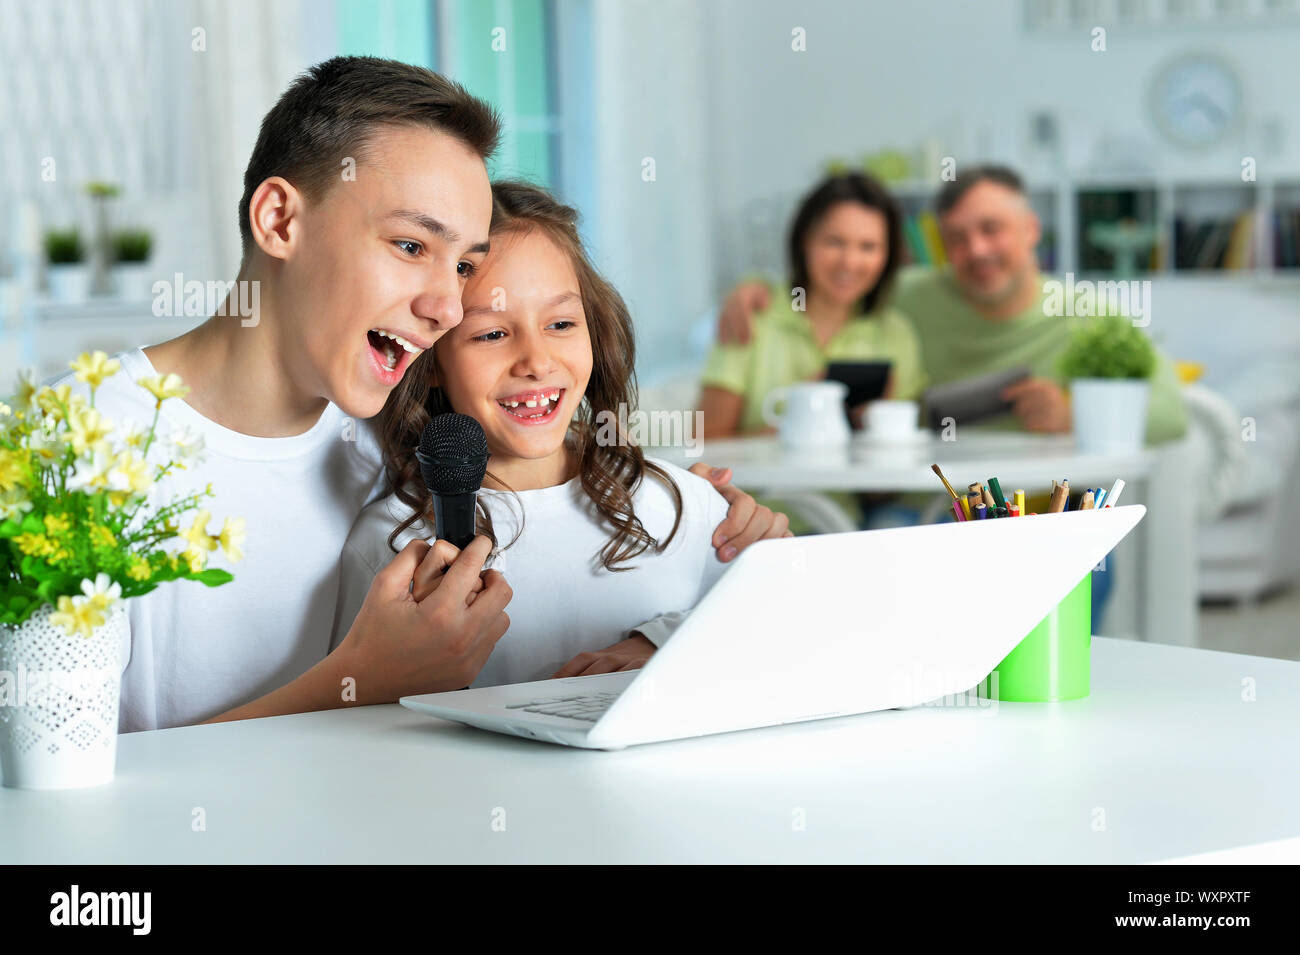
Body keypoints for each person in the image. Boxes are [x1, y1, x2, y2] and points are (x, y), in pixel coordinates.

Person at [44, 57, 789, 732]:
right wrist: (356, 681)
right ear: (279, 220)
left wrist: (716, 532)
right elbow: (44, 783)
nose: (448, 307)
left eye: (463, 266)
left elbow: (556, 490)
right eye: (410, 246)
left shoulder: (407, 437)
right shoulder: (67, 449)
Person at [333, 181, 786, 682]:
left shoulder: (686, 506)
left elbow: (779, 635)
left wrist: (663, 642)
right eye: (492, 334)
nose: (536, 361)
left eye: (561, 324)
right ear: (432, 356)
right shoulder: (390, 546)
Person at [715, 165, 1188, 442]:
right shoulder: (906, 297)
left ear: (1031, 231)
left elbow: (1172, 413)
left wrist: (1072, 415)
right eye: (957, 238)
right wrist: (754, 287)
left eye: (992, 229)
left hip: (1043, 510)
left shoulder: (1091, 314)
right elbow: (836, 279)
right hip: (931, 503)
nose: (977, 251)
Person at [698, 172, 925, 438]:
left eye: (868, 247)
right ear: (805, 240)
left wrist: (872, 426)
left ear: (888, 256)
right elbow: (705, 444)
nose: (849, 262)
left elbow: (907, 450)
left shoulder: (896, 332)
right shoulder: (750, 316)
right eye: (834, 242)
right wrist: (793, 422)